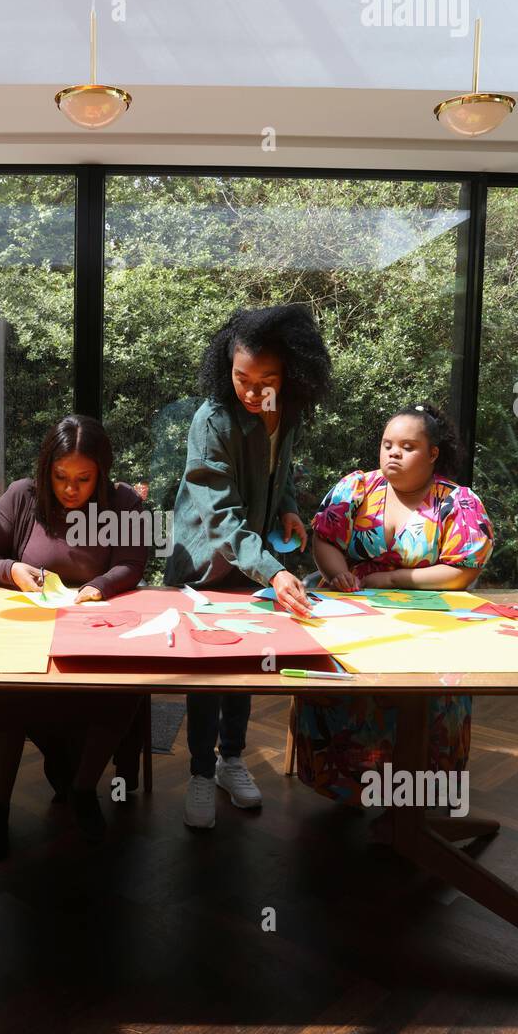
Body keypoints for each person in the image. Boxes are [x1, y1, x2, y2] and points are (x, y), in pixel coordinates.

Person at [165, 303, 332, 829]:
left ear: (291, 375)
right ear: (225, 367)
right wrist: (277, 572)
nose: (253, 390)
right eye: (241, 377)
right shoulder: (212, 420)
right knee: (206, 672)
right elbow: (220, 515)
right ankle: (197, 771)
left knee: (245, 667)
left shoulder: (292, 412)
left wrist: (288, 509)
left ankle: (230, 761)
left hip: (253, 563)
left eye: (267, 379)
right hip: (205, 566)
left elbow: (277, 472)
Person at [0, 415, 149, 861]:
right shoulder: (22, 496)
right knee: (7, 695)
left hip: (94, 626)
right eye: (61, 477)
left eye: (84, 479)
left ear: (102, 474)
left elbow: (133, 564)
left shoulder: (125, 502)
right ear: (46, 469)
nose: (71, 489)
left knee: (123, 691)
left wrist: (99, 586)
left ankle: (84, 787)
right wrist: (10, 570)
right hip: (29, 628)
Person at [295, 403, 494, 803]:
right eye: (387, 444)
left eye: (407, 446)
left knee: (432, 679)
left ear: (433, 453)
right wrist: (337, 574)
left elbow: (463, 570)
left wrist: (392, 578)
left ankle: (415, 793)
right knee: (331, 667)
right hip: (350, 613)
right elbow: (324, 539)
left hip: (427, 624)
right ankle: (348, 782)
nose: (393, 453)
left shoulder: (457, 502)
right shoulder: (356, 487)